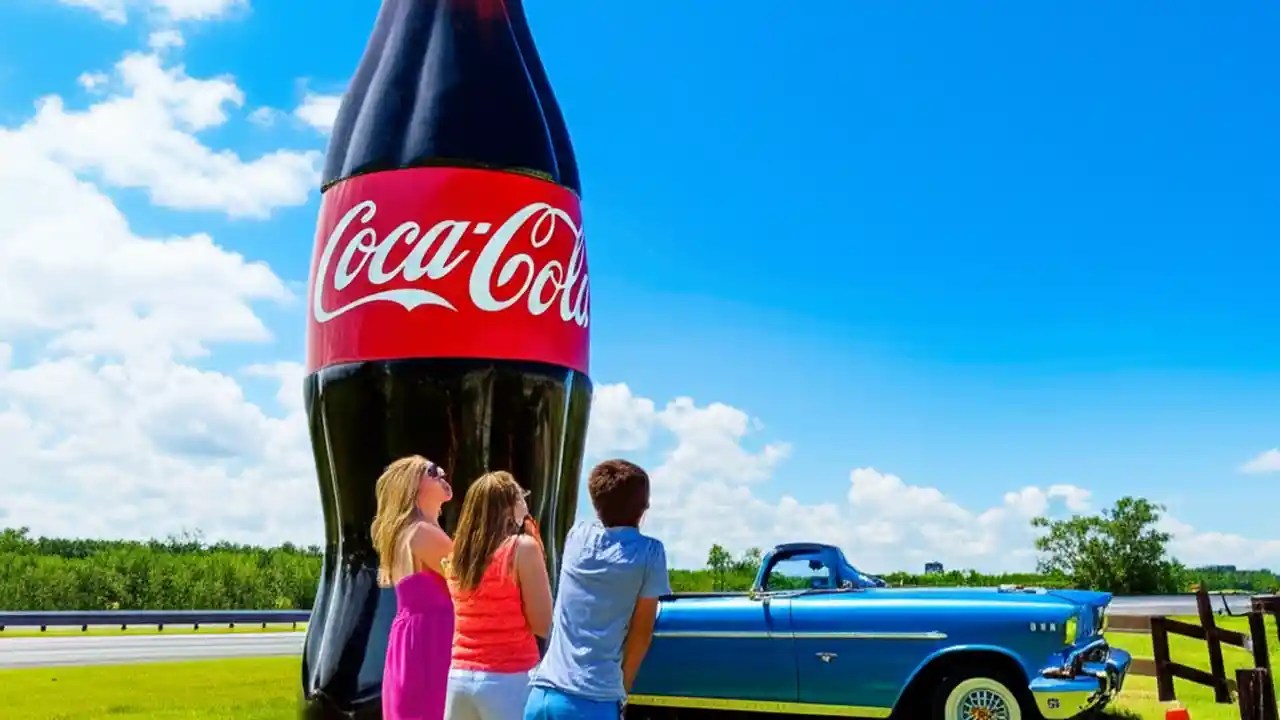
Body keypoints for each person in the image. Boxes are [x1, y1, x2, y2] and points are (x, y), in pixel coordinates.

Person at [523, 459, 670, 720]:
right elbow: (641, 634)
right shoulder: (650, 553)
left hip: (541, 695)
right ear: (644, 507)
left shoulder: (576, 536)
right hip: (592, 700)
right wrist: (620, 693)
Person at [442, 471, 553, 719]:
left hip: (459, 675)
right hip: (509, 676)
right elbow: (543, 625)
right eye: (522, 497)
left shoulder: (458, 554)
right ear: (509, 507)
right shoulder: (522, 548)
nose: (526, 503)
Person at [371, 455, 456, 720]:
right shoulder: (422, 533)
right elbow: (472, 581)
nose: (441, 470)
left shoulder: (409, 533)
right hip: (431, 645)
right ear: (412, 486)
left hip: (414, 643)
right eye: (432, 471)